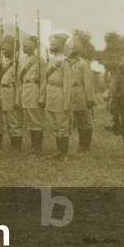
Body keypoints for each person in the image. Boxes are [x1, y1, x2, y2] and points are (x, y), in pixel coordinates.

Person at [42, 32, 73, 160]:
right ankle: (59, 151)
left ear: (61, 45)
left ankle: (64, 153)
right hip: (50, 93)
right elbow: (45, 79)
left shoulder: (65, 62)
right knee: (53, 123)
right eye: (50, 43)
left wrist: (66, 103)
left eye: (53, 43)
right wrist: (42, 96)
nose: (51, 45)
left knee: (62, 123)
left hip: (60, 93)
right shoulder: (50, 61)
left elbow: (67, 84)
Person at [69, 35, 96, 153]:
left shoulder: (83, 63)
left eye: (74, 49)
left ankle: (86, 146)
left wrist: (90, 99)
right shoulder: (69, 63)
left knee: (86, 121)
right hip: (72, 94)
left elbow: (88, 82)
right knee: (78, 121)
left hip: (82, 94)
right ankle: (81, 145)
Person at [19, 35, 46, 155]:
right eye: (23, 45)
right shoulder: (22, 60)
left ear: (34, 46)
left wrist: (42, 95)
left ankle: (37, 148)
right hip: (25, 88)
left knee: (36, 119)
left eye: (26, 44)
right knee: (29, 119)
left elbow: (44, 80)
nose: (23, 46)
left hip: (34, 89)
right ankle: (33, 146)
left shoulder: (40, 61)